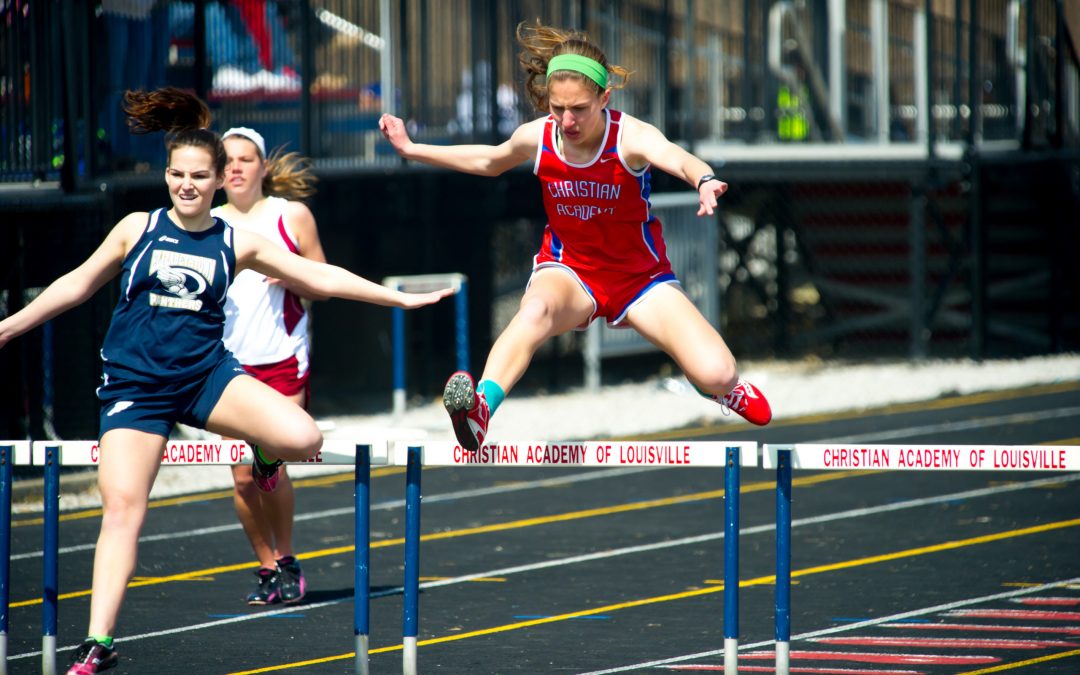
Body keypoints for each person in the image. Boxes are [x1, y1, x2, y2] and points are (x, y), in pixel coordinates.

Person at [0, 87, 452, 675]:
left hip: (205, 375)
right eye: (176, 174)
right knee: (123, 510)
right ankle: (99, 642)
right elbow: (74, 285)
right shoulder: (137, 227)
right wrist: (9, 327)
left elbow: (319, 275)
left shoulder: (238, 240)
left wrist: (397, 299)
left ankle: (265, 460)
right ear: (166, 175)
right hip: (137, 387)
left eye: (198, 176)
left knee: (303, 438)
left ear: (219, 182)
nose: (186, 184)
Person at [378, 20, 772, 452]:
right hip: (570, 271)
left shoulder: (631, 138)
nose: (567, 121)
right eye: (557, 107)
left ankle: (715, 387)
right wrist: (413, 149)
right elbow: (490, 160)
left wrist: (703, 179)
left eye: (579, 109)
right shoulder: (540, 136)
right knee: (535, 311)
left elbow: (677, 158)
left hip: (639, 278)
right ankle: (480, 411)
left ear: (605, 98)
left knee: (716, 371)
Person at [213, 126, 322, 606]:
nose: (235, 167)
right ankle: (266, 565)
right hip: (223, 366)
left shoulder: (290, 216)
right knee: (240, 477)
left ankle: (288, 555)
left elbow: (321, 281)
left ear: (263, 168)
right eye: (227, 160)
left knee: (268, 465)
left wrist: (282, 270)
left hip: (281, 358)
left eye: (245, 158)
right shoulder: (203, 221)